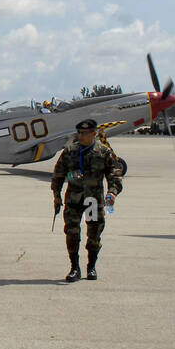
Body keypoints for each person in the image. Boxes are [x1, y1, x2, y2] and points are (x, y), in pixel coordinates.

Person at [51, 118, 123, 282]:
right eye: (79, 133)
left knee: (94, 233)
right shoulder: (70, 151)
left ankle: (91, 267)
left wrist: (112, 192)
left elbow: (114, 174)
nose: (81, 136)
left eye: (84, 133)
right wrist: (56, 194)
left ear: (94, 133)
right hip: (73, 200)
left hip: (93, 200)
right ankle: (74, 267)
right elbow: (58, 174)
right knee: (72, 232)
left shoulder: (103, 152)